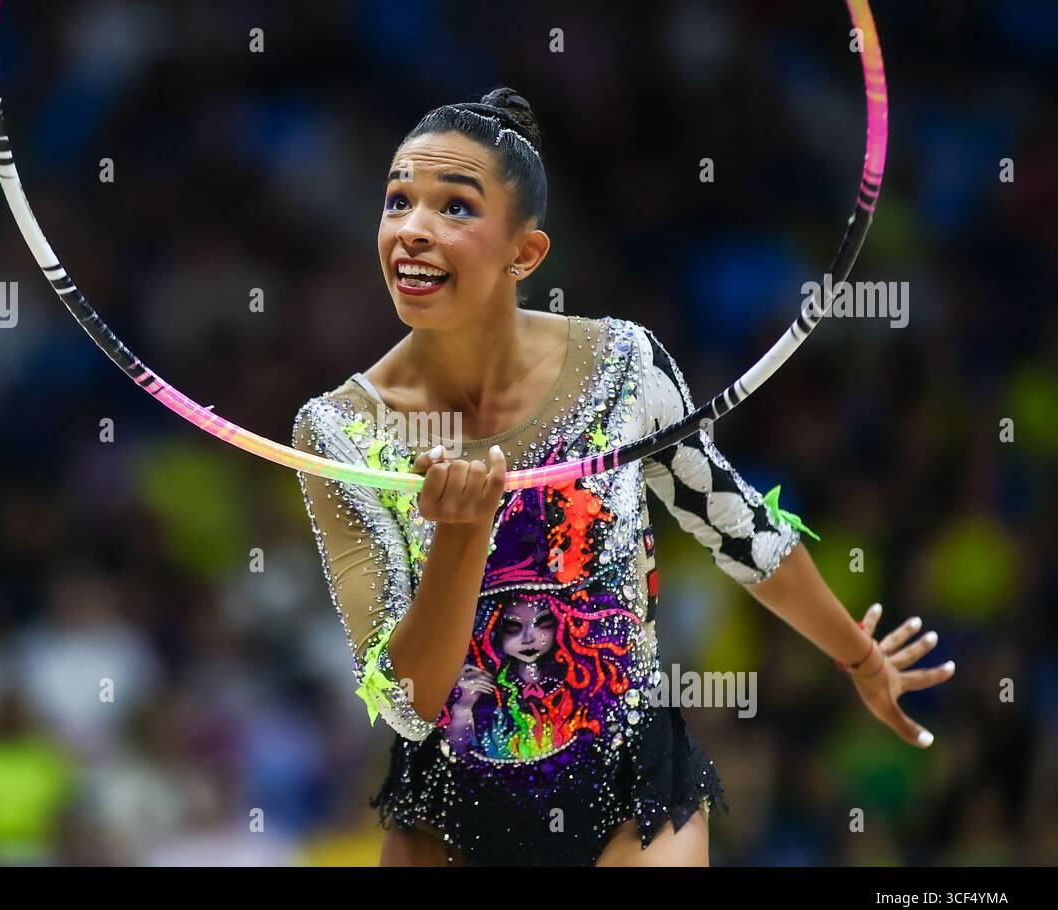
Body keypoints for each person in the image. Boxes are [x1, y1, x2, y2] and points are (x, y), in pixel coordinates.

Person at [292, 88, 954, 866]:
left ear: (524, 253)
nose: (412, 230)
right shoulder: (341, 432)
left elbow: (737, 528)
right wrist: (461, 540)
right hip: (449, 809)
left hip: (630, 793)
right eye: (398, 200)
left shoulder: (619, 366)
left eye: (456, 208)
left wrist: (856, 657)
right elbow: (408, 703)